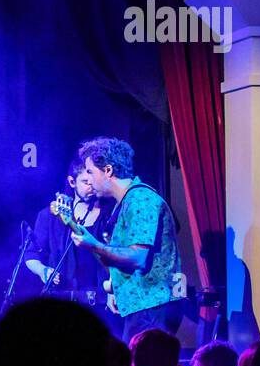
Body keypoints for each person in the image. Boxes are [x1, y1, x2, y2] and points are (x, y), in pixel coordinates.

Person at [69, 137, 184, 342]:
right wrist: (115, 288)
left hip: (152, 305)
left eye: (90, 171)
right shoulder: (122, 205)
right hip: (140, 304)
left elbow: (138, 257)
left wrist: (94, 245)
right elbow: (120, 257)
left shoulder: (141, 199)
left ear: (108, 171)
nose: (88, 179)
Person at [26, 157, 113, 325]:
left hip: (100, 303)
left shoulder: (109, 216)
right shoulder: (49, 215)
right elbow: (30, 255)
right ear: (72, 182)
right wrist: (43, 271)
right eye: (86, 182)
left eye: (94, 181)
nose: (92, 187)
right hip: (60, 301)